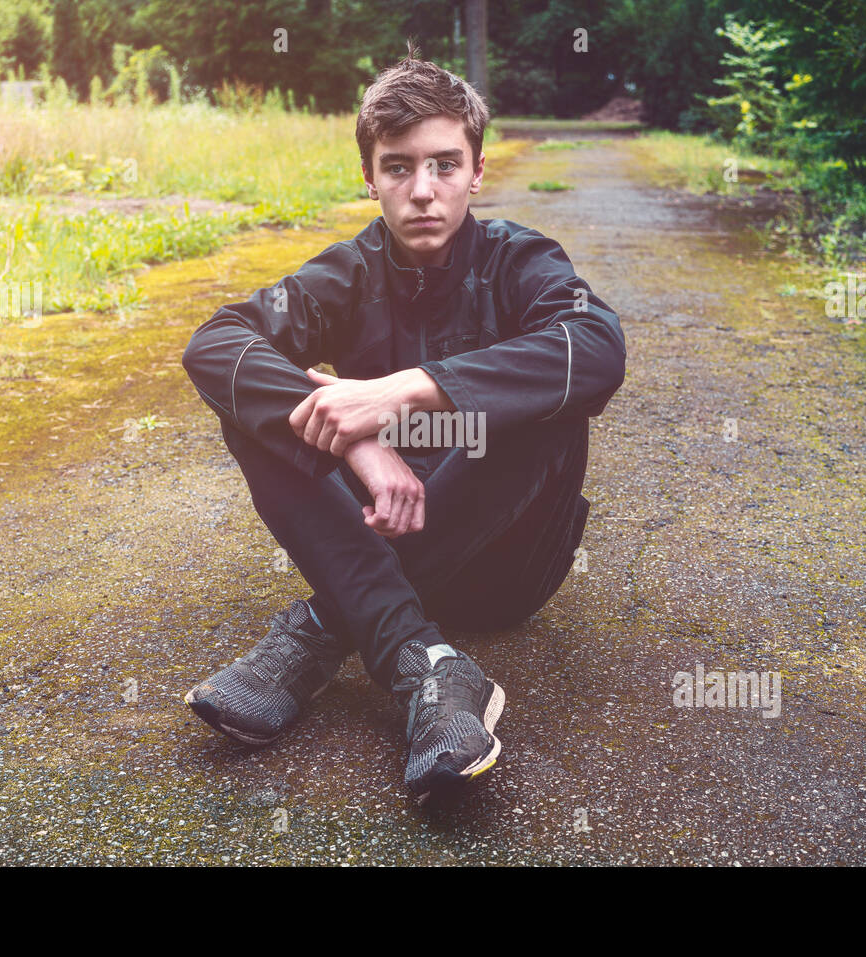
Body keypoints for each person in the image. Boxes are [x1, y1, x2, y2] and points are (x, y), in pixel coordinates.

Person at [180, 44, 626, 805]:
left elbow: (597, 347)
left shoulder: (523, 261)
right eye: (398, 168)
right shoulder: (347, 273)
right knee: (259, 403)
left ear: (477, 172)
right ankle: (429, 666)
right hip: (381, 529)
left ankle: (323, 630)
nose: (424, 191)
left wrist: (403, 393)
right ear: (370, 178)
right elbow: (216, 342)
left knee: (548, 399)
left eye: (445, 165)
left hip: (504, 572)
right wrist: (356, 438)